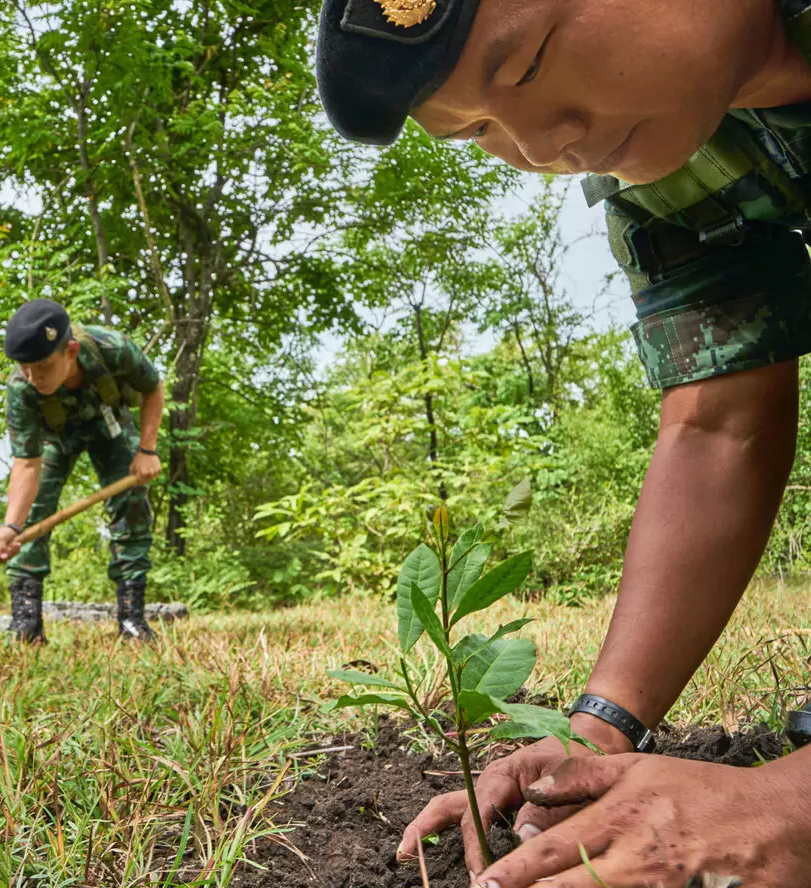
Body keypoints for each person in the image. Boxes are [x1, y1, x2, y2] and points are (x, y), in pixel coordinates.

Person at [315, 0, 811, 884]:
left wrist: (787, 807)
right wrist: (594, 732)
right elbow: (719, 421)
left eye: (531, 64)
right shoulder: (681, 152)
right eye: (475, 130)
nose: (541, 147)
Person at [0, 299, 165, 644]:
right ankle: (26, 623)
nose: (33, 377)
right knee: (32, 515)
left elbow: (153, 388)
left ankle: (131, 618)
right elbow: (26, 463)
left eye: (42, 366)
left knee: (132, 503)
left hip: (110, 426)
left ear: (70, 351)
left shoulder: (113, 348)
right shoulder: (21, 389)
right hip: (55, 437)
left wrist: (147, 449)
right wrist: (11, 525)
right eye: (25, 368)